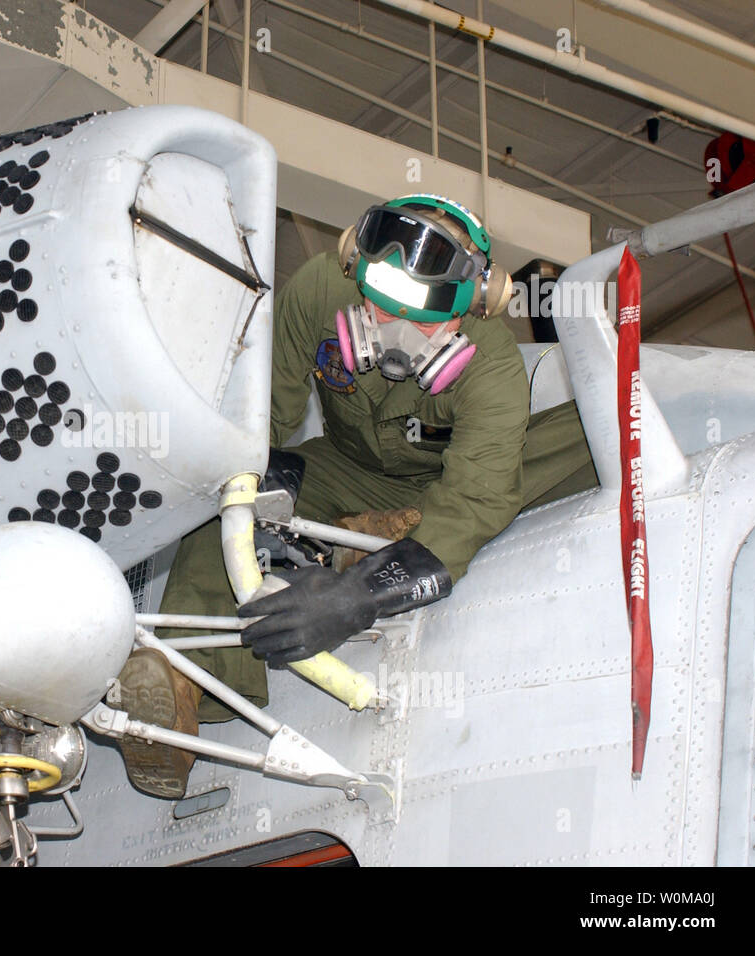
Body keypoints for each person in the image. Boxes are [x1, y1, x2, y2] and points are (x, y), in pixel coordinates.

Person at [116, 193, 599, 799]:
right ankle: (185, 692)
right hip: (344, 468)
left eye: (423, 320)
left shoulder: (492, 367)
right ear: (356, 271)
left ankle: (398, 533)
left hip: (454, 478)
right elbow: (257, 414)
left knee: (585, 436)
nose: (395, 332)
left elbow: (477, 499)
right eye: (381, 304)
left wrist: (357, 596)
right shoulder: (321, 291)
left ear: (470, 309)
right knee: (230, 498)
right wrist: (252, 479)